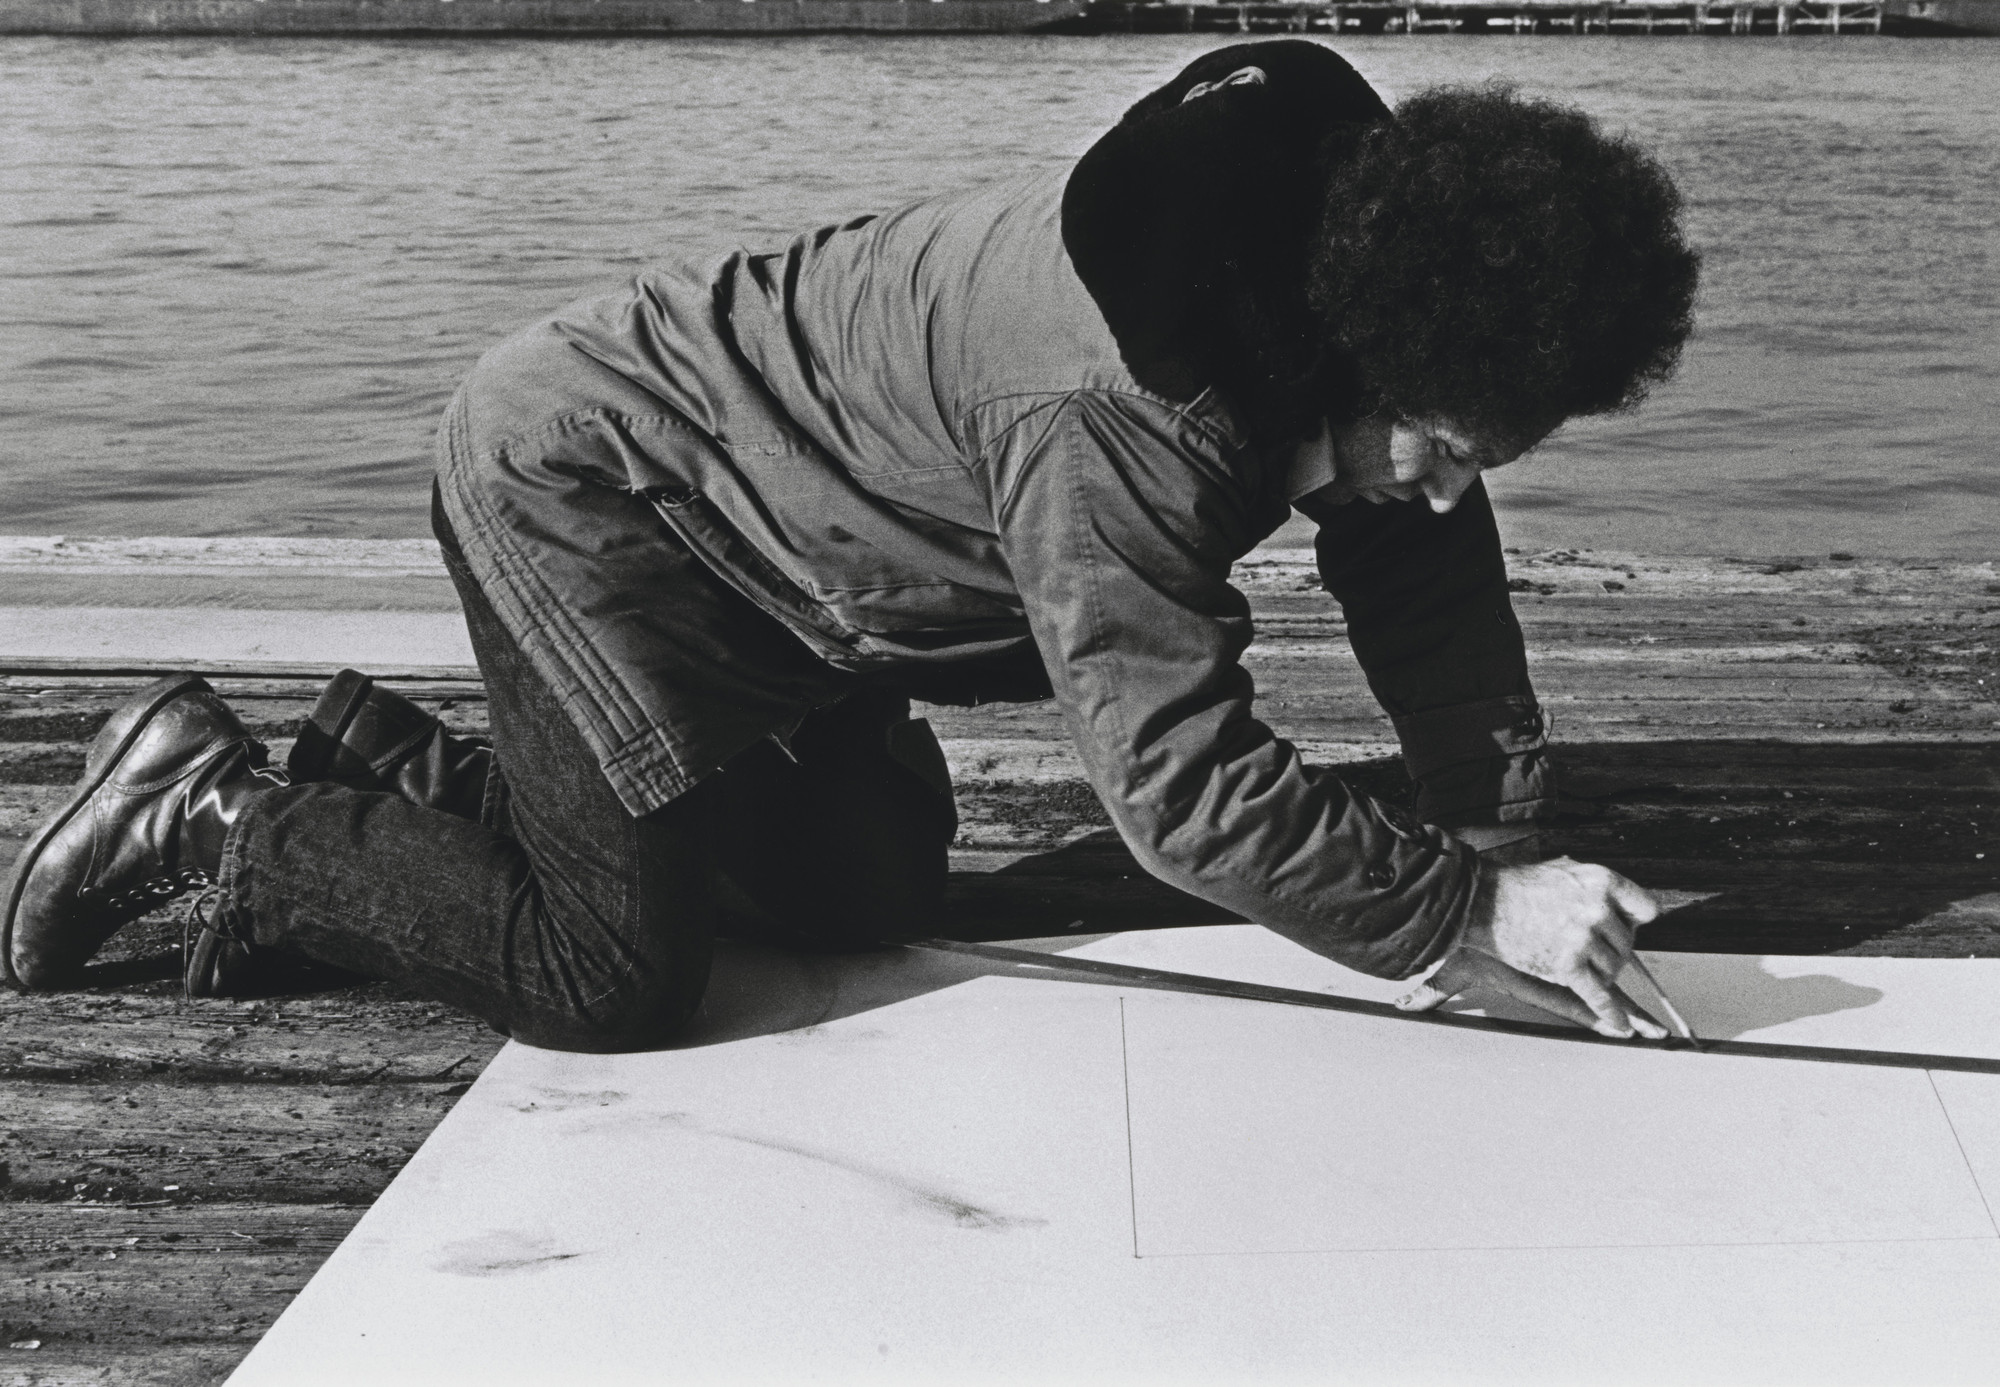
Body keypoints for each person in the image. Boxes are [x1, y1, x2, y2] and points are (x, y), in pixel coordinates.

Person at [2, 42, 1700, 1052]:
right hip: (601, 502)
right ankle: (224, 807)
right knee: (609, 979)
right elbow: (1176, 788)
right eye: (1449, 449)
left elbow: (1424, 562)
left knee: (863, 898)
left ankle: (415, 776)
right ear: (1371, 352)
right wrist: (1449, 914)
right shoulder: (1127, 420)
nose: (1442, 489)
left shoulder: (1329, 302)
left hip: (814, 578)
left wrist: (1501, 822)